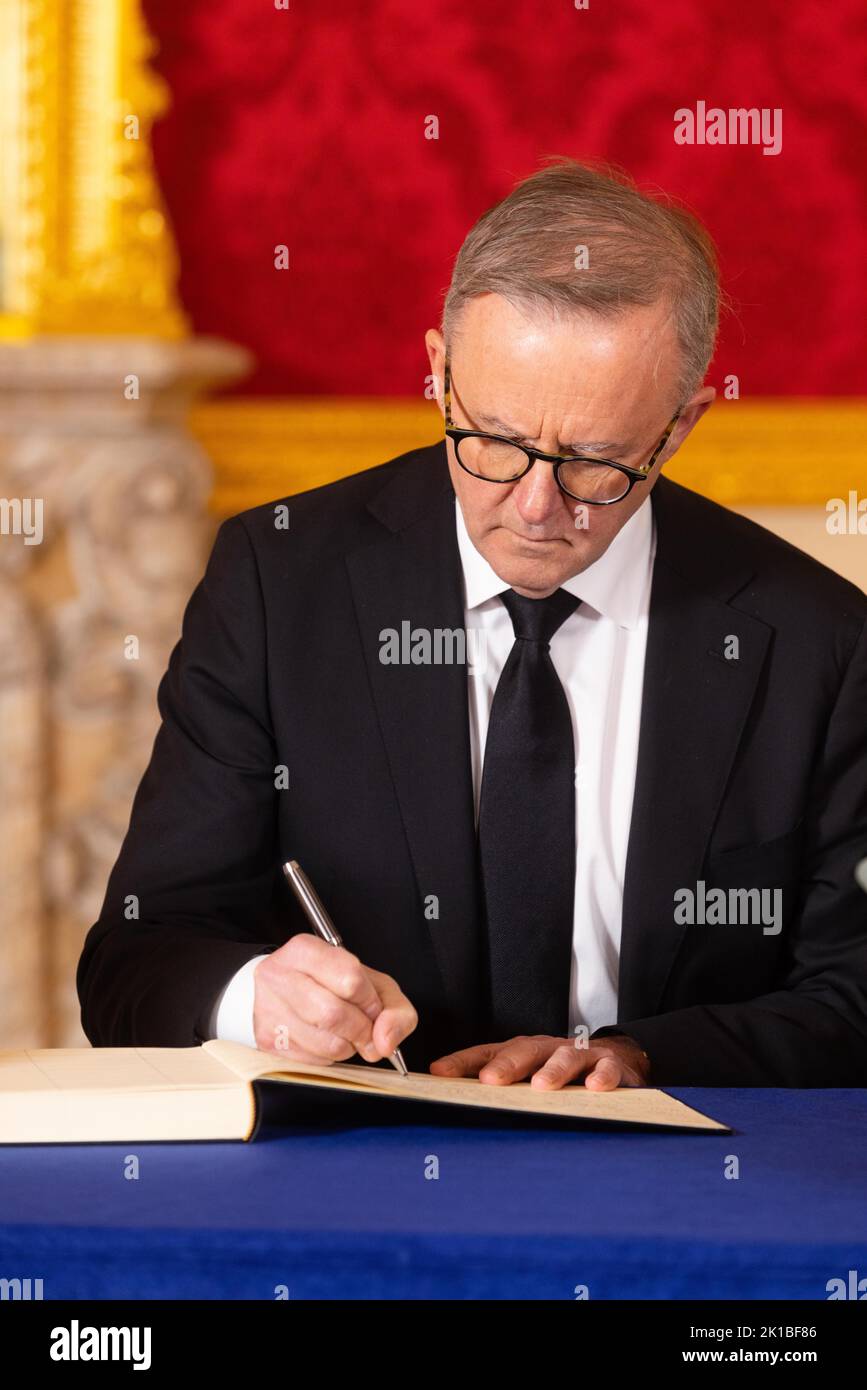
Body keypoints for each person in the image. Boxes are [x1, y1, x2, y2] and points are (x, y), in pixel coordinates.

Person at [78, 159, 867, 1088]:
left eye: (594, 462)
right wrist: (258, 996)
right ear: (438, 374)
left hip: (672, 1179)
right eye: (491, 440)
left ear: (682, 425)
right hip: (360, 1169)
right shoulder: (278, 584)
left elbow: (849, 998)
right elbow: (132, 963)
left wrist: (634, 1057)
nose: (534, 506)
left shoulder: (819, 639)